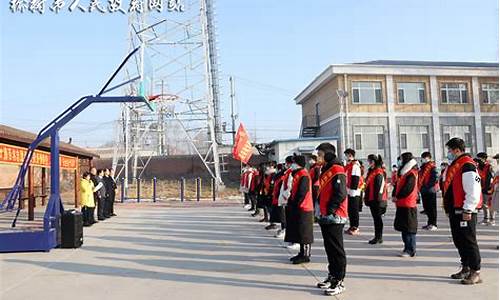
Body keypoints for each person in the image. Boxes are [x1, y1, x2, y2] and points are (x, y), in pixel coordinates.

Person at [443, 138, 483, 284]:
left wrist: (468, 208)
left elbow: (473, 189)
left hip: (465, 210)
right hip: (456, 209)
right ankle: (465, 267)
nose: (448, 153)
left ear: (456, 150)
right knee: (459, 240)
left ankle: (475, 271)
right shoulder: (456, 165)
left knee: (468, 241)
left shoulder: (467, 165)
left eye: (449, 150)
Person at [315, 143, 348, 296]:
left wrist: (331, 209)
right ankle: (332, 276)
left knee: (336, 249)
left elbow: (340, 193)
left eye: (320, 154)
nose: (318, 157)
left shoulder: (337, 170)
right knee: (329, 248)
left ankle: (339, 281)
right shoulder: (325, 170)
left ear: (328, 154)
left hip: (335, 216)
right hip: (325, 214)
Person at [285, 155, 314, 265]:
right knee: (299, 231)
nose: (291, 165)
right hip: (298, 206)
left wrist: (296, 203)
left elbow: (302, 192)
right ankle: (301, 253)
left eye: (293, 163)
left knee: (305, 232)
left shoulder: (304, 175)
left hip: (304, 207)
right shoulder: (297, 174)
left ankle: (306, 255)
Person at [392, 152, 418, 258]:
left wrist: (398, 196)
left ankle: (410, 249)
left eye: (401, 159)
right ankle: (406, 247)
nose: (400, 161)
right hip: (402, 204)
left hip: (408, 204)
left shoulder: (411, 174)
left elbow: (408, 189)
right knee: (404, 228)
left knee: (409, 229)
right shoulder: (404, 173)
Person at [364, 154, 387, 244]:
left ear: (373, 162)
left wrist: (378, 200)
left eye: (369, 161)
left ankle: (379, 237)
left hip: (377, 200)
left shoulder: (378, 172)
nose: (368, 163)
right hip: (372, 199)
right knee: (376, 219)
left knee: (378, 219)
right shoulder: (371, 171)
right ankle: (377, 236)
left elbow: (380, 188)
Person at [343, 149, 363, 236]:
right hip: (349, 189)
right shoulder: (349, 165)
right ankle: (351, 226)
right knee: (350, 210)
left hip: (354, 191)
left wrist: (352, 190)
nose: (346, 157)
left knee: (354, 210)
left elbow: (355, 178)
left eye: (346, 155)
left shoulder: (355, 165)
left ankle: (355, 227)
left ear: (350, 155)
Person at [418, 152, 439, 230]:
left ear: (429, 158)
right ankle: (429, 223)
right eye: (423, 157)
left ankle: (433, 224)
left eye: (425, 157)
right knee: (427, 208)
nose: (423, 159)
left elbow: (435, 178)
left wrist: (427, 186)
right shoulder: (423, 167)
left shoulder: (432, 167)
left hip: (430, 190)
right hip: (424, 190)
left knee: (432, 208)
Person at [476, 152, 494, 225]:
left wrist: (488, 187)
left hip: (489, 188)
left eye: (479, 158)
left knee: (489, 204)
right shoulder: (478, 167)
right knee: (484, 204)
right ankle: (486, 219)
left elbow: (491, 178)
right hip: (481, 188)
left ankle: (492, 219)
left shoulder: (489, 166)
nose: (478, 160)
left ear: (483, 158)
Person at [270, 164, 286, 238]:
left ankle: (284, 229)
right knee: (281, 215)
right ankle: (283, 228)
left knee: (283, 215)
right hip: (278, 197)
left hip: (284, 198)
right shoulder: (279, 176)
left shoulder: (285, 176)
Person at [308, 154, 322, 220]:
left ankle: (317, 215)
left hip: (316, 186)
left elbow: (317, 177)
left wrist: (312, 182)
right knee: (313, 201)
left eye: (311, 159)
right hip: (313, 185)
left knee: (316, 201)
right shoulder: (312, 167)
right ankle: (314, 215)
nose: (309, 161)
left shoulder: (316, 167)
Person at [489, 154, 499, 226]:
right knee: (493, 205)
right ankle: (492, 220)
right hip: (496, 189)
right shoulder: (496, 168)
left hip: (497, 189)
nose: (497, 160)